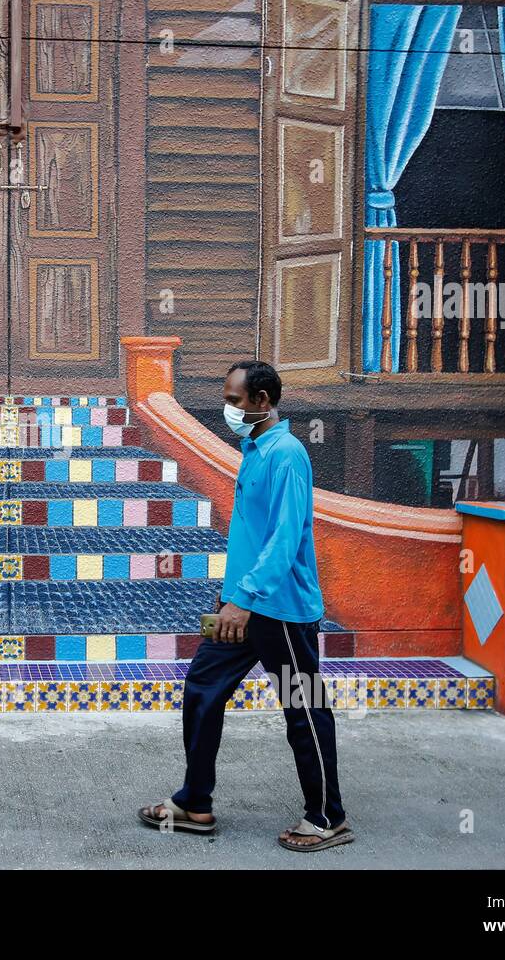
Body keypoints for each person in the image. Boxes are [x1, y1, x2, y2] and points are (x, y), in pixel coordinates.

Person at [138, 360, 353, 851]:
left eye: (235, 400)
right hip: (240, 602)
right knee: (203, 686)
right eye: (227, 398)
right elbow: (252, 536)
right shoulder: (253, 450)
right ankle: (195, 802)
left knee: (303, 709)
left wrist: (246, 599)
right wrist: (231, 597)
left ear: (263, 400)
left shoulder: (287, 454)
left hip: (280, 609)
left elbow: (284, 538)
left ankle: (327, 819)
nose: (227, 409)